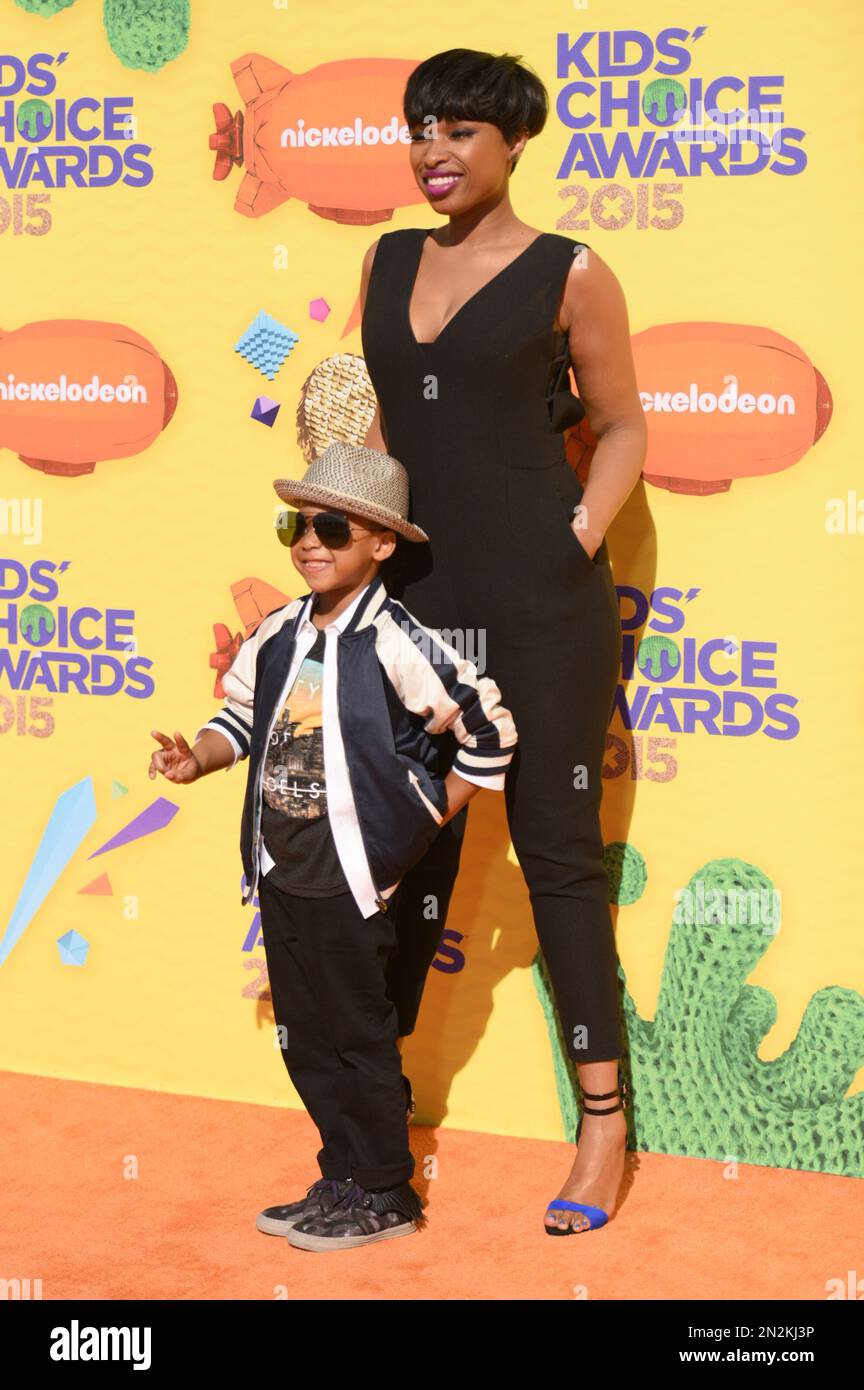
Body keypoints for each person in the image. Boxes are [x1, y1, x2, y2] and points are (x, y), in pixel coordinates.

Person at [360, 48, 647, 1234]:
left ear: (514, 142)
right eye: (421, 126)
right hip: (413, 606)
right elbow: (384, 420)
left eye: (462, 129)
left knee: (559, 859)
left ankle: (603, 1131)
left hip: (539, 609)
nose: (435, 148)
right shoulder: (381, 259)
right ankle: (375, 1124)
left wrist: (572, 537)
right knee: (402, 854)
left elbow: (625, 424)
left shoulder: (570, 271)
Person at [147, 441, 517, 1251]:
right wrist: (195, 759)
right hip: (282, 869)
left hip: (352, 878)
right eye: (296, 525)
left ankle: (387, 1190)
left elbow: (488, 724)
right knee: (306, 1037)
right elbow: (240, 718)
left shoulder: (396, 639)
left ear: (381, 543)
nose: (309, 541)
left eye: (331, 527)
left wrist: (429, 812)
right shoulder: (279, 630)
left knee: (358, 1035)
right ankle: (342, 1175)